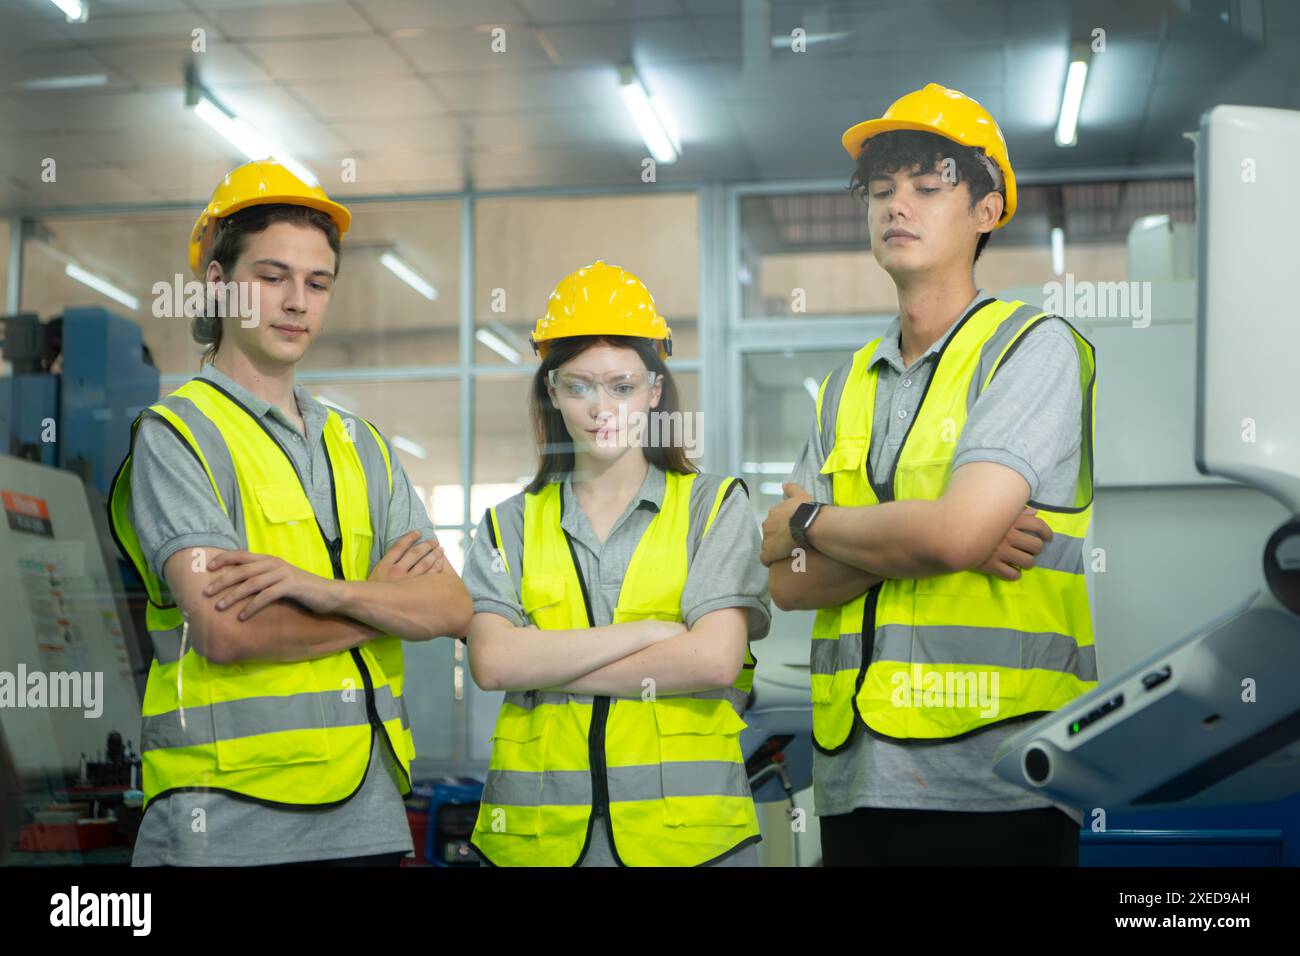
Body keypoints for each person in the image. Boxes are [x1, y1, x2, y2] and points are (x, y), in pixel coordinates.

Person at [762, 84, 1097, 866]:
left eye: (926, 185)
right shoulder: (848, 383)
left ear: (986, 211)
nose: (895, 206)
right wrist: (936, 536)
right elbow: (786, 582)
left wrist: (813, 521)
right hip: (851, 779)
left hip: (997, 779)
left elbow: (936, 535)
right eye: (880, 191)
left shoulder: (1031, 347)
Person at [108, 159, 472, 866]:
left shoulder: (360, 445)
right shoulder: (179, 435)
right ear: (218, 284)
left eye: (317, 282)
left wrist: (322, 590)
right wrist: (382, 605)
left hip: (369, 820)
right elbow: (224, 630)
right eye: (271, 278)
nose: (296, 302)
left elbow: (452, 609)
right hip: (227, 827)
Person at [462, 261, 771, 866]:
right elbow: (493, 662)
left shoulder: (712, 507)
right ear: (552, 391)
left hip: (692, 839)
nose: (601, 408)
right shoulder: (508, 524)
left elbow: (712, 659)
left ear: (655, 392)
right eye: (578, 386)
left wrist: (541, 662)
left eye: (622, 387)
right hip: (538, 840)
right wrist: (651, 634)